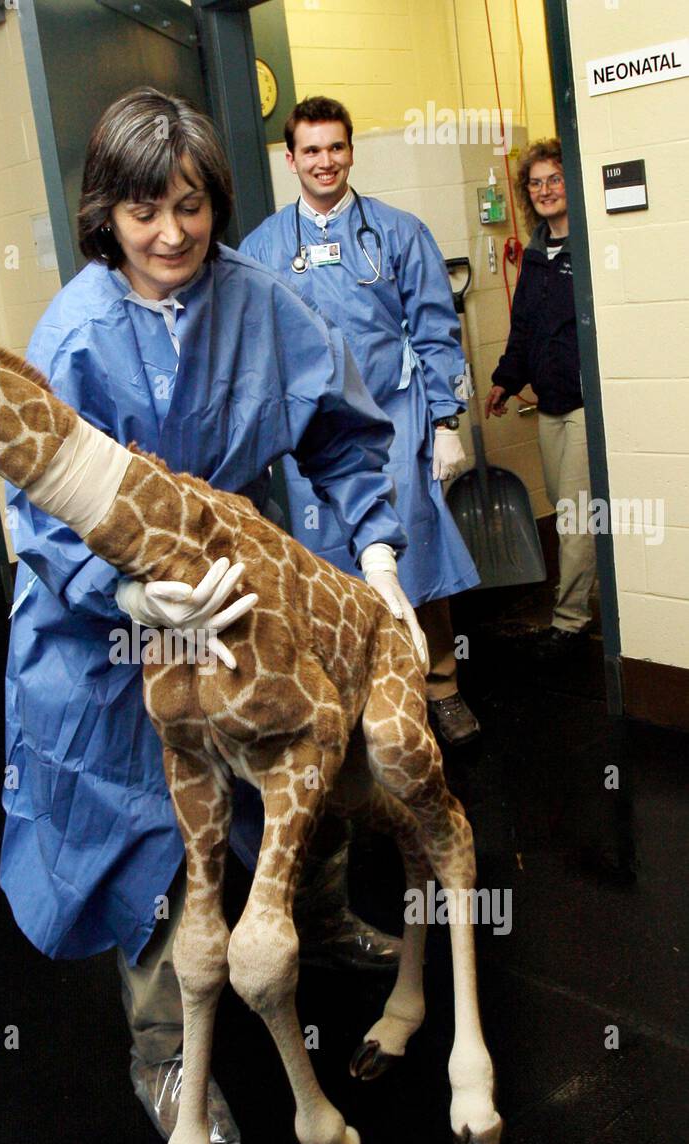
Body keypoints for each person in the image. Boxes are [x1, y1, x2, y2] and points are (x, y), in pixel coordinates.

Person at [0, 88, 425, 1144]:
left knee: (302, 764)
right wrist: (124, 596)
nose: (172, 233)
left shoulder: (261, 300)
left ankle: (317, 925)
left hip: (241, 604)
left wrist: (375, 555)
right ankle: (166, 1055)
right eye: (145, 212)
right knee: (146, 837)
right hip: (108, 633)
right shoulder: (77, 329)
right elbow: (36, 498)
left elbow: (339, 429)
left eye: (189, 205)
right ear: (109, 214)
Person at [239, 96, 481, 747]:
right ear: (290, 159)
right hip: (310, 435)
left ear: (351, 152)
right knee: (328, 567)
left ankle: (442, 686)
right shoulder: (262, 248)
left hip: (395, 420)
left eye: (336, 147)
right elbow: (251, 350)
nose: (325, 161)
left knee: (418, 554)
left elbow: (434, 329)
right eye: (311, 150)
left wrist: (445, 420)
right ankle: (356, 695)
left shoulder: (400, 233)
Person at [486, 138, 595, 657]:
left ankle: (570, 621)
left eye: (554, 179)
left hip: (584, 405)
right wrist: (506, 379)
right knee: (562, 501)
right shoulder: (535, 250)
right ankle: (589, 591)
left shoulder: (589, 246)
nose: (546, 190)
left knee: (574, 513)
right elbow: (524, 326)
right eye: (536, 182)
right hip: (548, 403)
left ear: (569, 184)